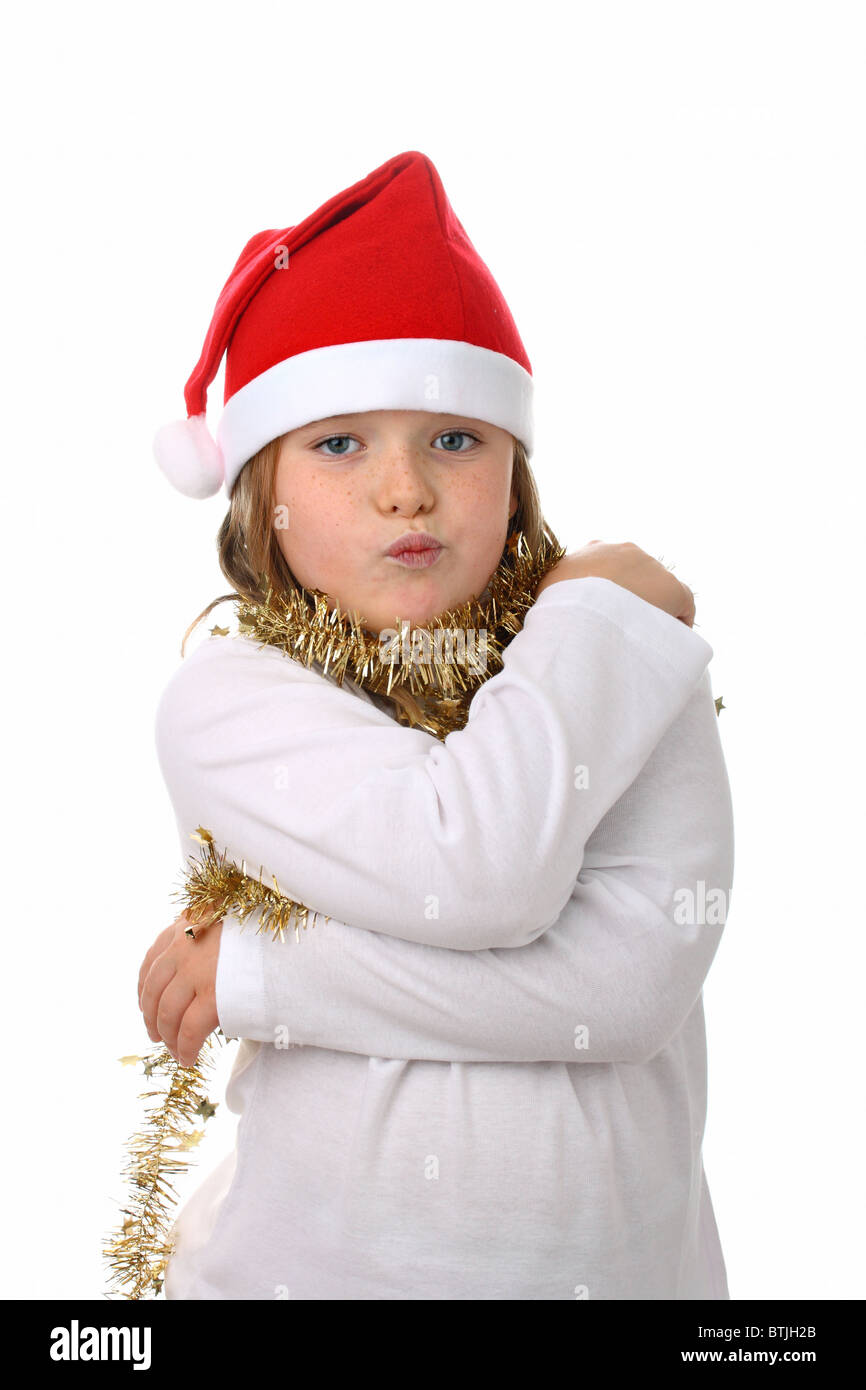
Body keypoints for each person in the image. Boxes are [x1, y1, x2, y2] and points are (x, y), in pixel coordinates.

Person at [136, 150, 734, 1300]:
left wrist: (263, 974)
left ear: (512, 472)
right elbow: (476, 869)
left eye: (453, 439)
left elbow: (617, 993)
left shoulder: (615, 656)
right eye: (339, 441)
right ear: (261, 493)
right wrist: (592, 619)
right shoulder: (232, 699)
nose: (404, 488)